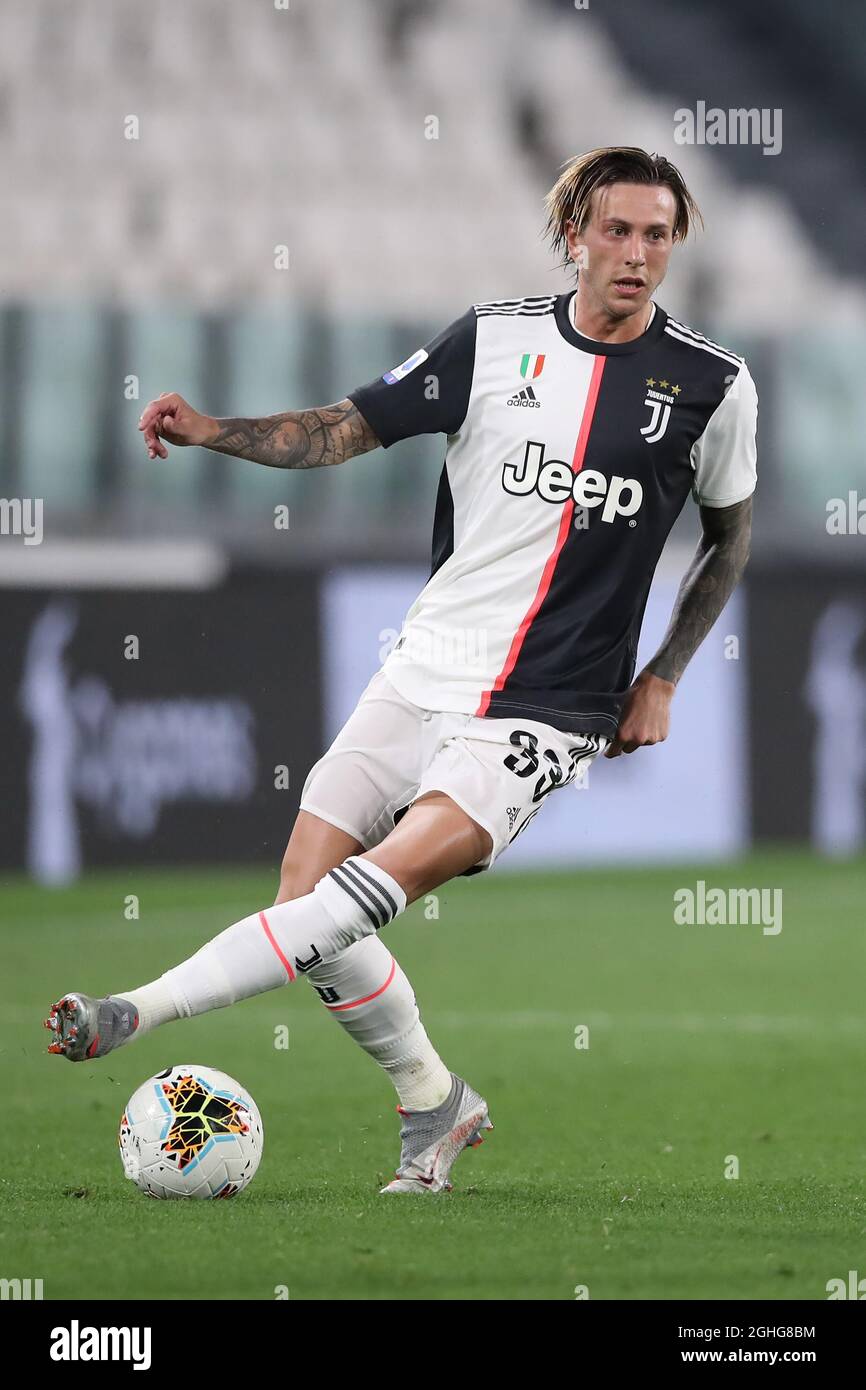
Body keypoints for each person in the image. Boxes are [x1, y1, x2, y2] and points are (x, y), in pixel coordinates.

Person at [45, 147, 756, 1195]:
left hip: (548, 709)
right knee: (305, 903)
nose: (637, 254)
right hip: (422, 671)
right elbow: (343, 429)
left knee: (344, 906)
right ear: (575, 235)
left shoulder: (710, 384)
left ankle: (130, 1012)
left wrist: (664, 673)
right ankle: (435, 1102)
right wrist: (212, 433)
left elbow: (728, 538)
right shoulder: (493, 340)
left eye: (656, 235)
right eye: (616, 230)